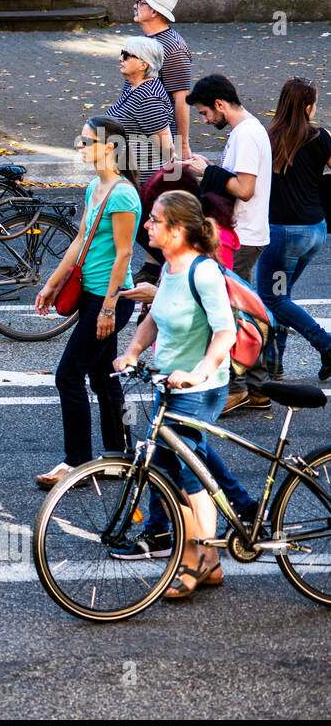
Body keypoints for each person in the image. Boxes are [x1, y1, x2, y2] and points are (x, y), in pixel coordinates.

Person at [111, 192, 237, 597]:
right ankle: (210, 562)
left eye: (154, 220)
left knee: (188, 475)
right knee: (167, 470)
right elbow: (157, 319)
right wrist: (131, 351)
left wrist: (198, 371)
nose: (147, 225)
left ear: (177, 230)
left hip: (200, 388)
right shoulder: (170, 267)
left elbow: (225, 332)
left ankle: (195, 558)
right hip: (169, 384)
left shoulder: (204, 272)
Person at [33, 118, 139, 487]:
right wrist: (52, 283)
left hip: (110, 299)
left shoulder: (123, 194)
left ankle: (76, 462)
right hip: (91, 295)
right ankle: (120, 455)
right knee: (103, 375)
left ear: (109, 147)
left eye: (86, 141)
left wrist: (108, 308)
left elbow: (124, 255)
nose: (79, 146)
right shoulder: (96, 185)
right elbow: (80, 240)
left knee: (68, 375)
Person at [183, 74, 272, 414]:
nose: (205, 120)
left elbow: (244, 188)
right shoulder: (246, 131)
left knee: (231, 313)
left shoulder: (247, 134)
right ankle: (258, 386)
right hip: (246, 232)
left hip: (242, 236)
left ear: (220, 104)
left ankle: (239, 387)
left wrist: (208, 172)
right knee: (243, 309)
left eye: (205, 113)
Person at [257, 77, 331, 381]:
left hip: (283, 234)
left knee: (274, 298)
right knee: (281, 296)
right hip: (316, 230)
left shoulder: (268, 137)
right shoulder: (322, 137)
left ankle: (325, 343)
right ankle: (273, 365)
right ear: (309, 106)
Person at [102, 35, 173, 186]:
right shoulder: (133, 87)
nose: (121, 58)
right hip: (127, 176)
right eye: (122, 53)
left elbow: (167, 147)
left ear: (143, 65)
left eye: (127, 56)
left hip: (143, 182)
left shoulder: (149, 97)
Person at [131, 0, 192, 158]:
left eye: (140, 2)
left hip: (158, 142)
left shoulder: (173, 48)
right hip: (140, 136)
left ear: (154, 12)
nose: (135, 6)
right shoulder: (149, 40)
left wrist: (182, 145)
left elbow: (182, 99)